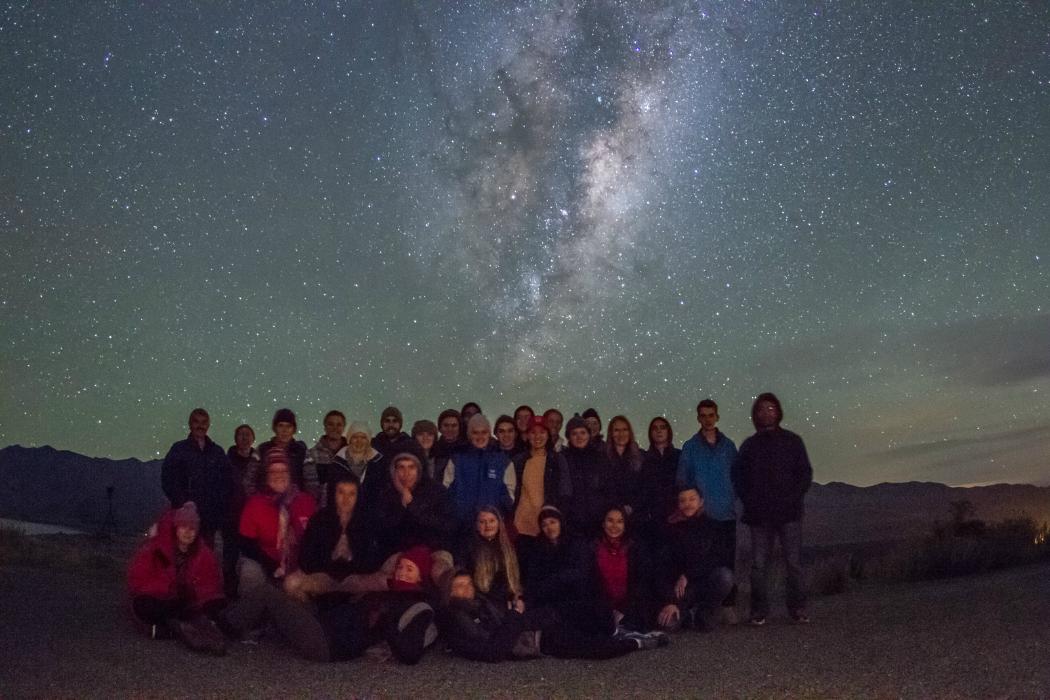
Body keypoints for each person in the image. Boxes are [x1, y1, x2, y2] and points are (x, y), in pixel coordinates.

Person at [438, 570, 653, 663]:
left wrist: (516, 609)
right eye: (459, 586)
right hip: (533, 641)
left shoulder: (481, 602)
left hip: (531, 623)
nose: (467, 589)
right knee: (591, 647)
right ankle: (636, 643)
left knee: (588, 607)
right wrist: (514, 614)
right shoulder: (456, 620)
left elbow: (508, 618)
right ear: (449, 591)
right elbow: (495, 650)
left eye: (468, 584)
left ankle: (619, 630)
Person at [732, 392, 814, 625]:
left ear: (778, 412)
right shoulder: (749, 446)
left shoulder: (792, 441)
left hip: (789, 513)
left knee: (794, 563)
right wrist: (749, 501)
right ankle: (759, 611)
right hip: (759, 516)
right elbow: (738, 477)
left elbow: (804, 473)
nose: (767, 412)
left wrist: (793, 498)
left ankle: (798, 608)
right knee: (758, 565)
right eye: (762, 409)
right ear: (755, 415)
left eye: (771, 408)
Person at [127, 502, 227, 655]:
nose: (188, 532)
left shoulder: (204, 554)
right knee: (143, 604)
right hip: (163, 599)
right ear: (175, 528)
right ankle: (183, 627)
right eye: (184, 527)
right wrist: (167, 587)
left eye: (193, 528)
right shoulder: (154, 549)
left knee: (215, 606)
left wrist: (196, 594)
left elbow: (211, 585)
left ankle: (175, 628)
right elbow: (137, 582)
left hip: (188, 602)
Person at [677, 399, 740, 621]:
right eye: (703, 415)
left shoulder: (729, 446)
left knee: (726, 560)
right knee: (700, 559)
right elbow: (683, 480)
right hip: (701, 517)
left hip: (725, 514)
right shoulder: (690, 447)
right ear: (698, 418)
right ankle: (701, 604)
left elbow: (738, 476)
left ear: (717, 417)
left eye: (711, 414)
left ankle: (728, 605)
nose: (707, 419)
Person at [283, 473, 378, 601]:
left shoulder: (365, 521)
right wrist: (332, 556)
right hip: (324, 576)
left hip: (355, 578)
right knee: (290, 583)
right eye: (341, 493)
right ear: (334, 494)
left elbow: (371, 563)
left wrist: (350, 557)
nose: (346, 499)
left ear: (357, 497)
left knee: (381, 583)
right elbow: (305, 560)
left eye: (351, 494)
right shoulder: (320, 519)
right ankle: (310, 615)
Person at [656, 487, 735, 632]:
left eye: (692, 499)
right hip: (680, 589)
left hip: (704, 581)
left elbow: (717, 558)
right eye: (683, 500)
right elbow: (662, 568)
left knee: (725, 576)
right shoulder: (670, 529)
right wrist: (670, 601)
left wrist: (688, 575)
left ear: (701, 502)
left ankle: (705, 611)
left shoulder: (713, 527)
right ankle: (686, 613)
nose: (688, 504)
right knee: (668, 626)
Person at [237, 457, 317, 588]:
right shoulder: (255, 503)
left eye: (283, 471)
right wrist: (272, 566)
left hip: (300, 562)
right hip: (265, 561)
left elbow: (315, 540)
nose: (279, 475)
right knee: (249, 572)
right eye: (273, 472)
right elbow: (247, 545)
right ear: (266, 476)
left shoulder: (306, 501)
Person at [161, 408, 232, 547]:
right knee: (183, 555)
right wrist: (183, 504)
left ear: (208, 425)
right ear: (189, 424)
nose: (200, 425)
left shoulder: (217, 452)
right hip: (184, 516)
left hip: (209, 518)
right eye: (196, 421)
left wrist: (219, 508)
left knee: (205, 557)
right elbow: (168, 479)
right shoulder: (179, 449)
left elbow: (226, 481)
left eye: (204, 422)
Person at [591, 506, 662, 636]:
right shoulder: (593, 547)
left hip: (629, 604)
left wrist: (622, 609)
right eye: (610, 520)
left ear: (625, 525)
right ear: (603, 523)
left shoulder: (635, 547)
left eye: (620, 521)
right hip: (602, 605)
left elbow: (642, 581)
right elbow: (590, 582)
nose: (614, 525)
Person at [375, 452, 457, 560]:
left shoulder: (436, 491)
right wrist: (401, 501)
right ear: (394, 471)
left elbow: (444, 525)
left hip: (432, 550)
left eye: (411, 467)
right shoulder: (386, 493)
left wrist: (411, 504)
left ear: (419, 470)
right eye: (401, 467)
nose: (406, 473)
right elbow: (384, 530)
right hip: (398, 552)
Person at [443, 414, 516, 532]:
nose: (480, 436)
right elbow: (445, 489)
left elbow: (509, 493)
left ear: (489, 433)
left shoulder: (502, 461)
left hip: (491, 525)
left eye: (484, 432)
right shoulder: (457, 459)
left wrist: (498, 514)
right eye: (475, 432)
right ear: (469, 434)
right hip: (462, 524)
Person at [511, 416, 571, 553]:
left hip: (547, 528)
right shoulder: (518, 461)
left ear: (548, 435)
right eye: (533, 432)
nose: (537, 436)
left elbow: (565, 491)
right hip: (521, 527)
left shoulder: (557, 459)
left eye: (542, 432)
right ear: (527, 435)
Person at [561, 414, 619, 537]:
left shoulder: (600, 458)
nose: (579, 437)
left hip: (598, 524)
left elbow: (610, 489)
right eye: (574, 433)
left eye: (583, 432)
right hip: (571, 524)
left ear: (589, 435)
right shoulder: (562, 459)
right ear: (568, 437)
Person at [457, 506, 523, 607]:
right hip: (482, 602)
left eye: (492, 521)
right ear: (476, 525)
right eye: (482, 522)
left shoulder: (508, 548)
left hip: (507, 600)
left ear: (499, 523)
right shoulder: (468, 548)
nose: (487, 525)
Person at [224, 423, 260, 596]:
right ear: (235, 439)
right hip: (231, 516)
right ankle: (229, 593)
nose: (245, 438)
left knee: (250, 558)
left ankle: (250, 596)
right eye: (241, 434)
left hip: (253, 518)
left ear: (253, 439)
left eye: (248, 435)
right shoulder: (226, 461)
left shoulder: (259, 461)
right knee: (230, 557)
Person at [635, 417, 681, 547]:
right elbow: (642, 488)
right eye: (655, 428)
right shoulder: (644, 459)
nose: (659, 431)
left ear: (669, 431)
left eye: (662, 427)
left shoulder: (679, 456)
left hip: (676, 516)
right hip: (653, 519)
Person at [331, 422, 386, 513]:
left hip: (372, 516)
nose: (359, 441)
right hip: (344, 515)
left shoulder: (379, 462)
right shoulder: (338, 463)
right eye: (355, 437)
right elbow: (332, 493)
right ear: (349, 439)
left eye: (363, 437)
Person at [257, 408, 308, 490]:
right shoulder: (262, 449)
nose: (285, 430)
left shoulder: (302, 450)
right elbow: (250, 479)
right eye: (281, 425)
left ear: (294, 429)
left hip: (296, 500)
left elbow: (312, 481)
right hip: (266, 499)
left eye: (289, 426)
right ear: (275, 428)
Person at [303, 410, 348, 502]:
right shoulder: (311, 455)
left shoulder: (351, 454)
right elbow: (311, 488)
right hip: (323, 510)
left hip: (347, 510)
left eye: (339, 424)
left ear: (344, 427)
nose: (335, 428)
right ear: (325, 427)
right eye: (331, 424)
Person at [605, 415, 643, 516]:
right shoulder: (602, 458)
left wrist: (633, 506)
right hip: (610, 515)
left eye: (625, 429)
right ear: (611, 433)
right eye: (616, 430)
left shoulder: (641, 457)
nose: (621, 434)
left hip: (636, 514)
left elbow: (644, 488)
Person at [431, 409, 465, 483]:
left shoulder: (467, 451)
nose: (450, 429)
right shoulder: (432, 451)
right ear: (440, 428)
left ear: (460, 428)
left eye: (454, 426)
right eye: (446, 425)